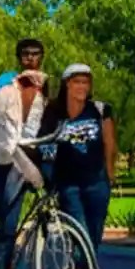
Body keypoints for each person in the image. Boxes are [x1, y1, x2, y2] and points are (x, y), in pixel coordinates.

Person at [0, 38, 49, 269]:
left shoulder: (43, 88)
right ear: (19, 59)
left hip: (28, 155)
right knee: (8, 226)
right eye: (25, 54)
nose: (31, 58)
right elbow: (10, 141)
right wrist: (30, 170)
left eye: (35, 53)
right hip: (4, 161)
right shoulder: (7, 93)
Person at [41, 63, 117, 257]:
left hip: (97, 182)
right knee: (80, 235)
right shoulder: (53, 112)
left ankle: (81, 268)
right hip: (69, 184)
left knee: (93, 237)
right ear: (67, 84)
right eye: (77, 82)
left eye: (86, 82)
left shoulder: (100, 110)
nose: (82, 87)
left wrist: (109, 174)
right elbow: (44, 141)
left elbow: (109, 142)